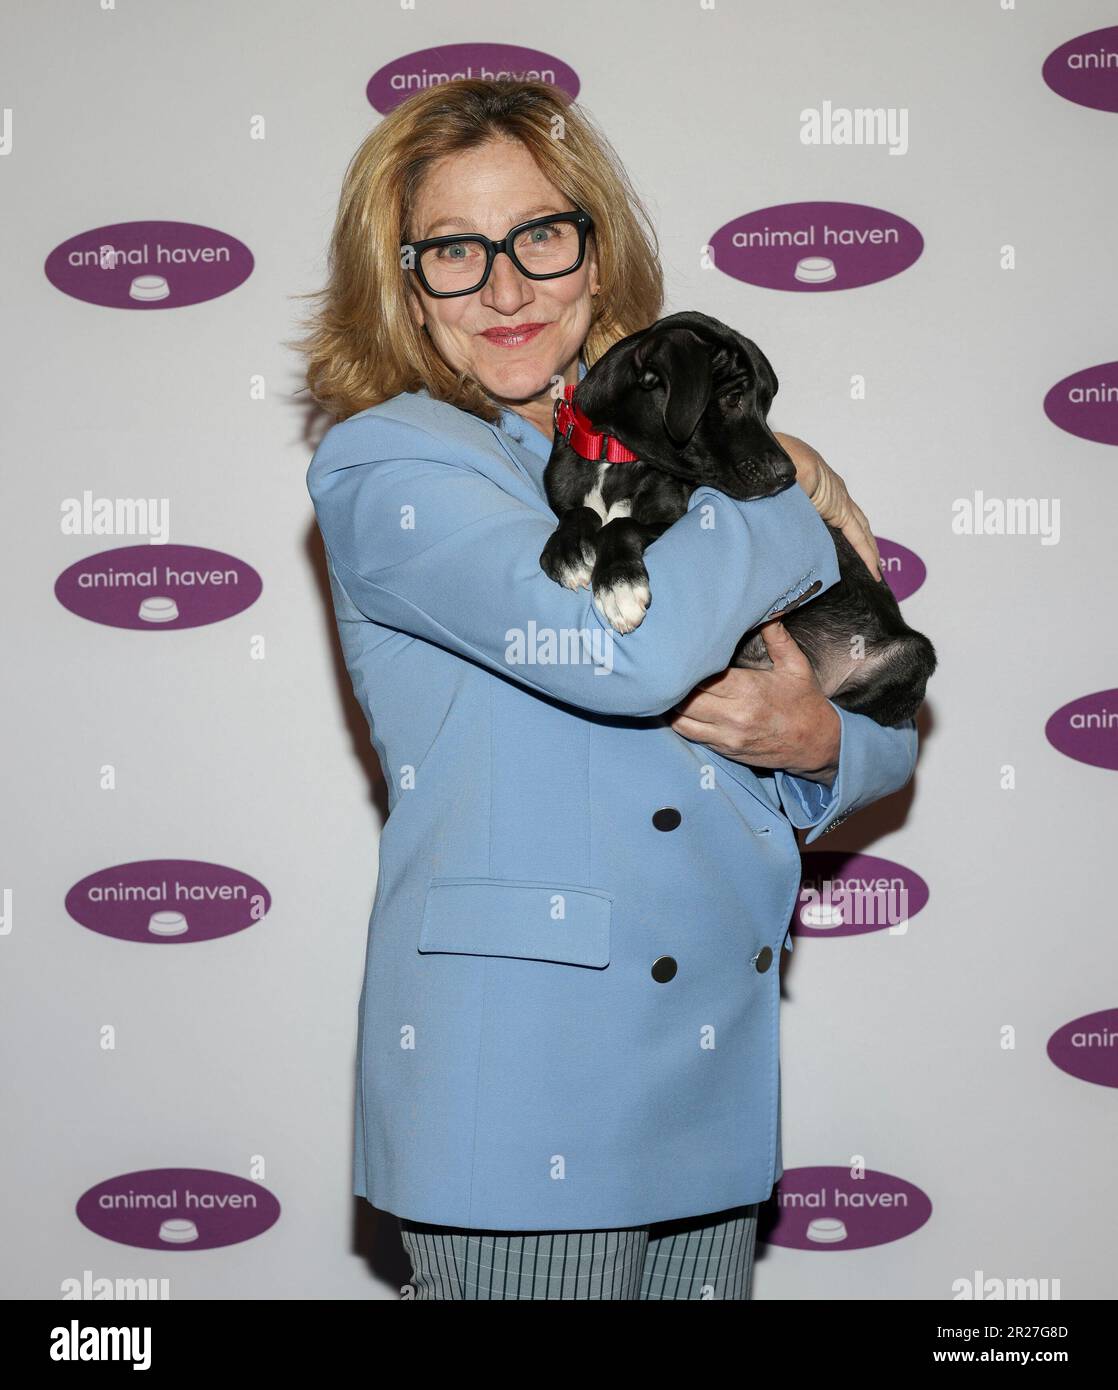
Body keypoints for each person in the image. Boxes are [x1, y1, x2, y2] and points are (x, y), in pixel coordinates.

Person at [297, 79, 918, 1300]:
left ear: (595, 253)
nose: (507, 286)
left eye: (538, 235)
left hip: (708, 1057)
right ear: (403, 284)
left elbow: (879, 720)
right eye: (453, 253)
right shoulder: (393, 462)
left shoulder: (659, 452)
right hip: (528, 1077)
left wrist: (810, 742)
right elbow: (624, 655)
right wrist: (776, 482)